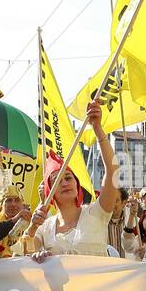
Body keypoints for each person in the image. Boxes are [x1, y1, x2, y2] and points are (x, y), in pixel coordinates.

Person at [26, 100, 122, 261]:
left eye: (68, 178)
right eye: (57, 181)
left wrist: (97, 129)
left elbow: (113, 171)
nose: (64, 183)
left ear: (77, 184)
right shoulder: (44, 227)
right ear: (50, 192)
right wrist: (32, 228)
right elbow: (23, 254)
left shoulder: (97, 212)